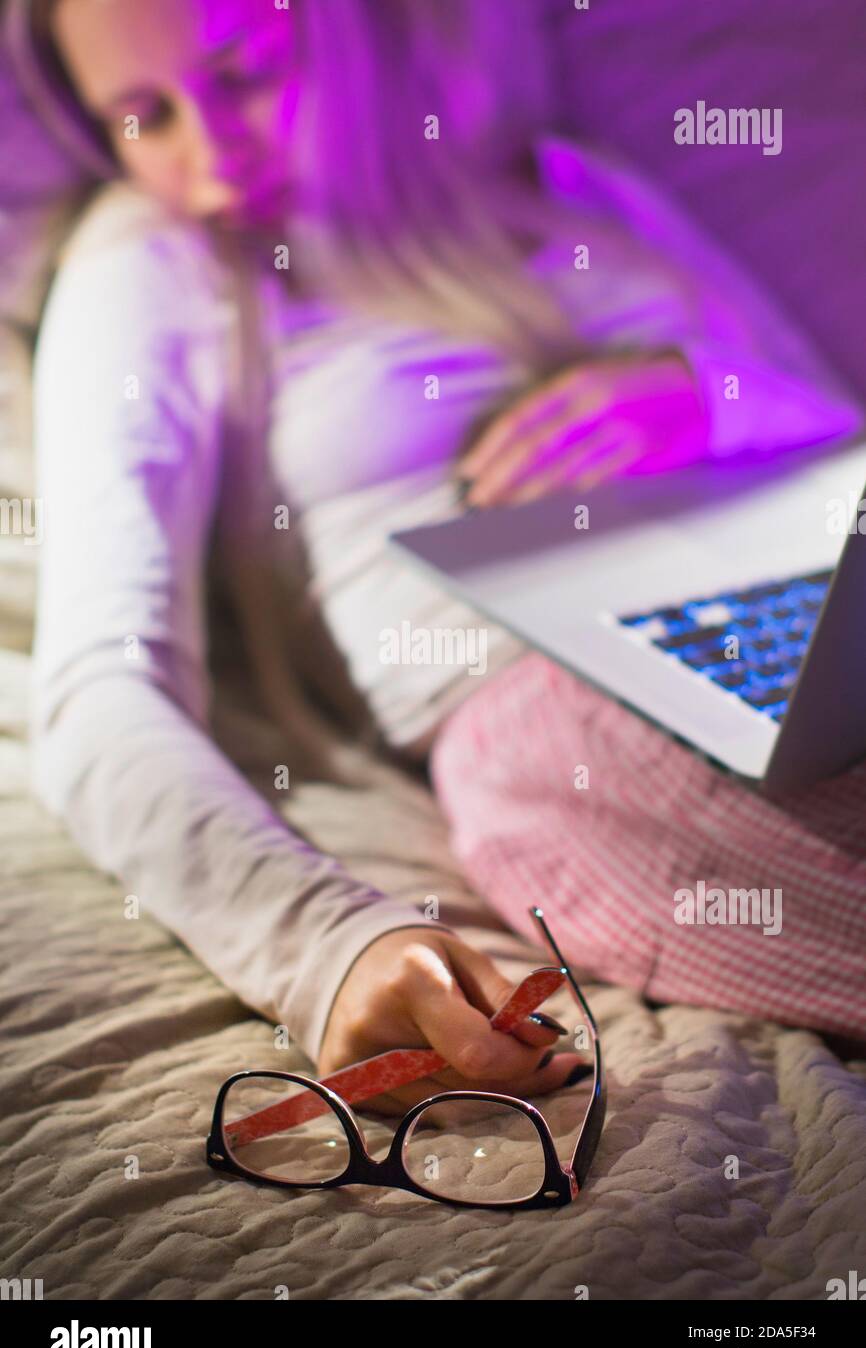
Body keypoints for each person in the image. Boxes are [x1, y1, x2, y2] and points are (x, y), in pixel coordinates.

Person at [11, 0, 864, 1122]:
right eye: (142, 115)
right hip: (558, 708)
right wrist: (323, 944)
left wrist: (705, 396)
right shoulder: (157, 260)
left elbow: (837, 432)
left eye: (247, 74)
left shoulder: (571, 184)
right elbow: (97, 683)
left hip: (811, 612)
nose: (213, 158)